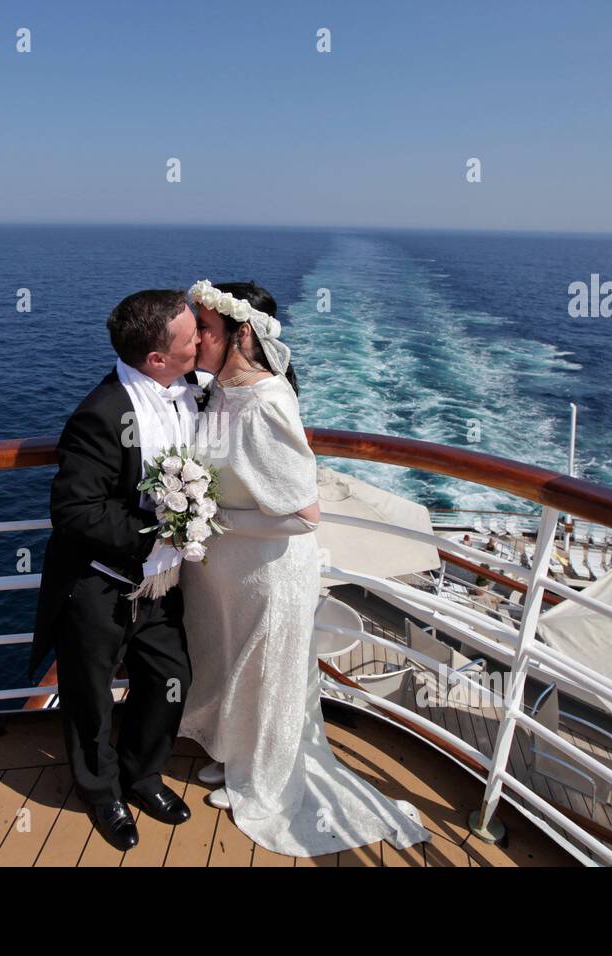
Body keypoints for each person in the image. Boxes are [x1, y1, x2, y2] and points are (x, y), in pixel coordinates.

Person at [176, 279, 432, 857]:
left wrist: (212, 519)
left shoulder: (267, 403)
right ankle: (235, 758)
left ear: (241, 334)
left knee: (265, 673)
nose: (196, 343)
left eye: (206, 332)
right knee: (225, 663)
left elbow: (305, 515)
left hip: (265, 568)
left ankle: (263, 781)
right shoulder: (216, 392)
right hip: (220, 570)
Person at [27, 289, 211, 851]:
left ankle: (144, 776)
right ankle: (101, 791)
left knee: (170, 680)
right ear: (156, 359)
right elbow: (74, 510)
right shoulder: (101, 415)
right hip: (99, 585)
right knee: (90, 696)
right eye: (191, 335)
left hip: (162, 583)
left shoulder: (194, 394)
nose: (203, 338)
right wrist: (161, 532)